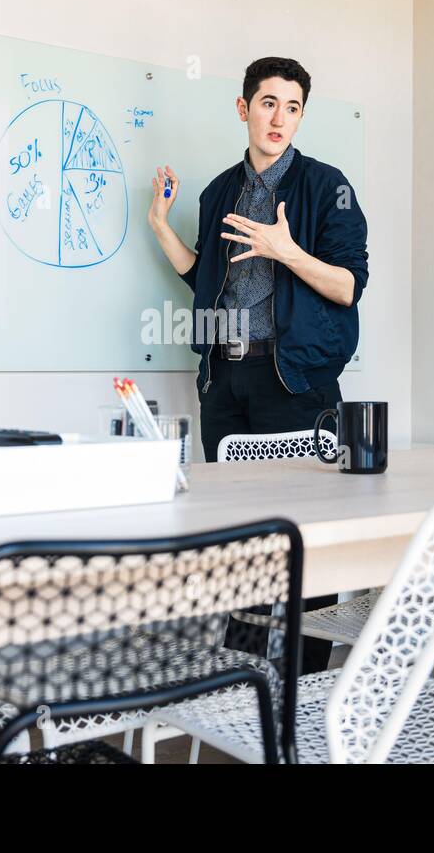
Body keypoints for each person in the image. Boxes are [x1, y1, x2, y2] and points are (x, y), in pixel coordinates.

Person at [146, 56, 369, 673]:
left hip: (294, 377)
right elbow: (203, 275)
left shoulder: (327, 187)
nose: (280, 118)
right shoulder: (220, 190)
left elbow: (349, 286)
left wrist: (287, 250)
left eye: (293, 107)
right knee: (236, 536)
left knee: (309, 536)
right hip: (225, 379)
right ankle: (244, 686)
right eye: (269, 103)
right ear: (245, 109)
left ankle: (299, 688)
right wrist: (160, 225)